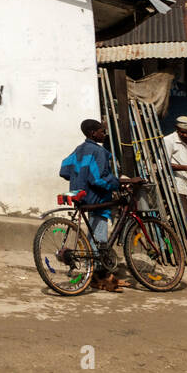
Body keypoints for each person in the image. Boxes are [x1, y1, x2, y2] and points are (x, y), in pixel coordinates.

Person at [59, 119, 126, 292]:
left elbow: (64, 170)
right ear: (93, 133)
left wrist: (78, 177)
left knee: (94, 234)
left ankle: (96, 273)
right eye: (102, 131)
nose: (104, 134)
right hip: (97, 199)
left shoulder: (79, 149)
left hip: (81, 196)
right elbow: (97, 179)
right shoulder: (99, 151)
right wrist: (117, 183)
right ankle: (101, 276)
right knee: (101, 236)